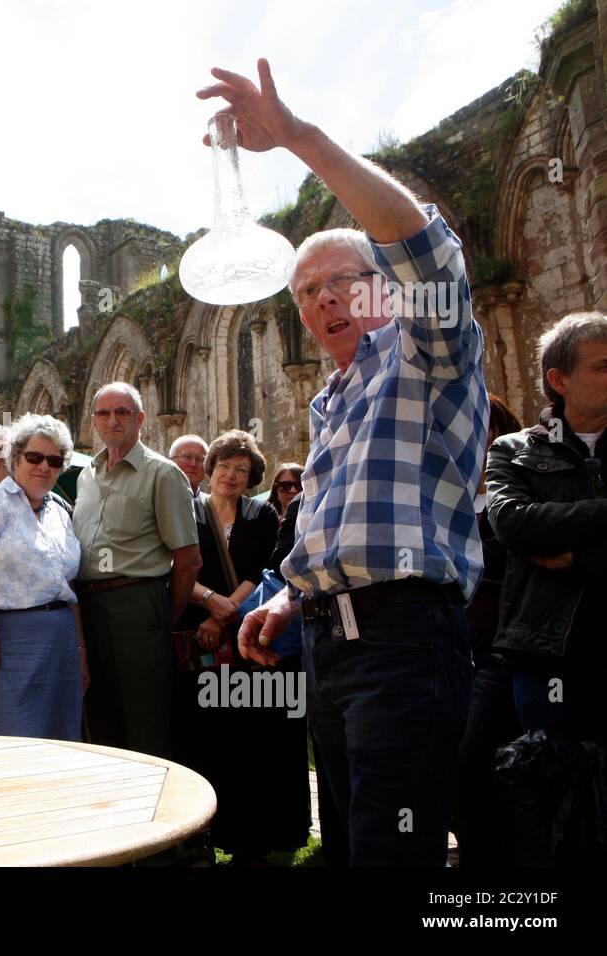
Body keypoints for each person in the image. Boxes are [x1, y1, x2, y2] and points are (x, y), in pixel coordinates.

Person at [224, 58, 488, 865]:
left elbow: (422, 249)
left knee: (391, 853)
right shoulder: (329, 402)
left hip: (405, 642)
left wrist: (300, 138)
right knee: (346, 847)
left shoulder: (427, 356)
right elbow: (338, 532)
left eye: (344, 281)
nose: (325, 300)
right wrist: (287, 600)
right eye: (307, 293)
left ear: (386, 291)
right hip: (328, 649)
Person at [172, 430, 307, 862]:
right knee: (209, 735)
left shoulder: (262, 513)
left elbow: (266, 566)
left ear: (251, 478)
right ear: (211, 470)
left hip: (252, 632)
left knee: (258, 738)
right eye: (225, 467)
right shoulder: (186, 511)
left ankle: (262, 836)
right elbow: (175, 565)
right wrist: (210, 605)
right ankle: (207, 834)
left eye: (242, 470)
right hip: (203, 638)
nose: (231, 476)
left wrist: (224, 610)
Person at [487, 314, 607, 748]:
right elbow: (515, 525)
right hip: (547, 651)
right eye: (602, 366)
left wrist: (579, 556)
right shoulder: (514, 450)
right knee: (552, 787)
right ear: (560, 380)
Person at [72, 382, 200, 760]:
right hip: (88, 608)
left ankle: (156, 813)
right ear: (93, 421)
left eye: (122, 412)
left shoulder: (163, 473)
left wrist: (162, 615)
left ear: (140, 419)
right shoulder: (86, 475)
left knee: (145, 724)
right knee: (100, 717)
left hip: (137, 603)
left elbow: (189, 559)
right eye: (104, 413)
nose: (113, 421)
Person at [0, 413, 85, 740]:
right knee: (6, 739)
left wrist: (80, 650)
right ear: (15, 458)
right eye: (35, 457)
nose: (44, 467)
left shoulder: (60, 511)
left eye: (54, 460)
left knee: (60, 741)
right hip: (9, 639)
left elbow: (67, 586)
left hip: (60, 641)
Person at [454, 393, 523, 866]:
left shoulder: (512, 493)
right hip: (452, 644)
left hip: (503, 644)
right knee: (458, 763)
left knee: (475, 756)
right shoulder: (449, 495)